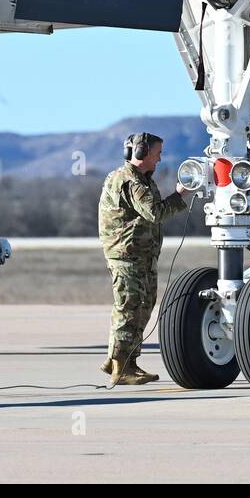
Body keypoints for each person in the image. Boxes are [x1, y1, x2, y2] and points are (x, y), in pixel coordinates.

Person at [98, 132, 191, 385]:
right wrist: (180, 194)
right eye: (157, 153)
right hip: (128, 257)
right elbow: (155, 212)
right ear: (142, 153)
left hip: (140, 256)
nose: (159, 159)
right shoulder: (131, 181)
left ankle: (122, 359)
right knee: (129, 307)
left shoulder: (142, 179)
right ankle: (121, 367)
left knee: (143, 305)